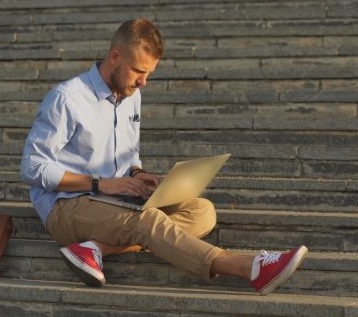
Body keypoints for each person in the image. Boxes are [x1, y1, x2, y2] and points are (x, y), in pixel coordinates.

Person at [20, 18, 307, 295]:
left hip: (113, 199)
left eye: (149, 74)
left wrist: (135, 174)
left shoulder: (131, 93)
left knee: (202, 211)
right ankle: (250, 268)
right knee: (150, 222)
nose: (143, 81)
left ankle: (96, 248)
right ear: (115, 56)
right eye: (137, 71)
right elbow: (32, 168)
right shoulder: (67, 99)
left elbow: (129, 152)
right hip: (66, 206)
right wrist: (101, 183)